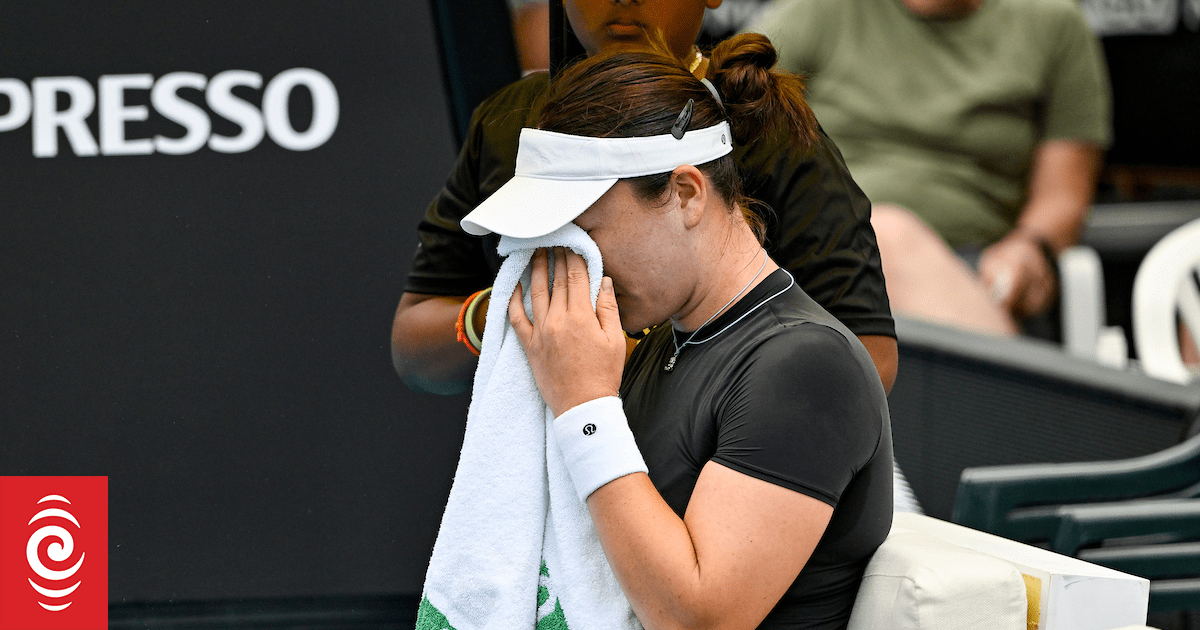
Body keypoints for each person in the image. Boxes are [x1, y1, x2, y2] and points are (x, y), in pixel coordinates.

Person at [463, 35, 893, 629]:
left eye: (587, 230)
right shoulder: (664, 342)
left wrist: (584, 404)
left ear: (686, 194)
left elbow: (699, 618)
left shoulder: (807, 367)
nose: (576, 261)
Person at [393, 0, 899, 395]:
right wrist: (510, 313)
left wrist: (692, 399)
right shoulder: (506, 124)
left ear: (690, 192)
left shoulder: (768, 133)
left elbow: (869, 360)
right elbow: (413, 343)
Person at [748, 0, 1112, 336]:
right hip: (814, 265)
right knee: (881, 233)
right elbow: (726, 128)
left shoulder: (1053, 23)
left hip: (979, 270)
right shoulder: (817, 13)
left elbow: (1063, 196)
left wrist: (1030, 248)